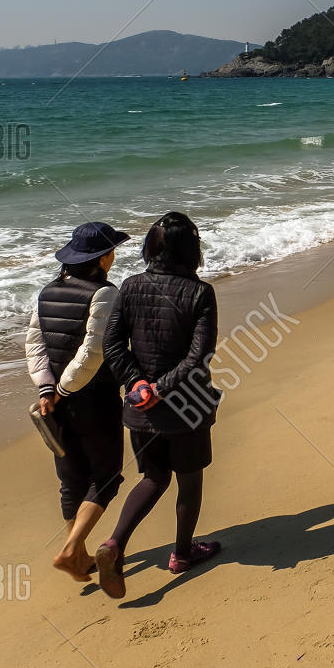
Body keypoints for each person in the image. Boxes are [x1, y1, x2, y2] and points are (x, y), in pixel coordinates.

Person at [96, 213, 222, 599]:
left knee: (153, 477)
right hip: (187, 408)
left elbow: (113, 346)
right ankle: (182, 553)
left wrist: (138, 384)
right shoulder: (200, 293)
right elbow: (199, 356)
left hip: (141, 410)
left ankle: (115, 544)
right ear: (191, 251)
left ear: (150, 248)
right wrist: (163, 388)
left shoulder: (130, 287)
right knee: (189, 479)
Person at [25, 221, 131, 583]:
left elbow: (35, 344)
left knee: (71, 480)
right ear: (102, 259)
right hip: (92, 398)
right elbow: (93, 352)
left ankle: (80, 557)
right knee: (107, 477)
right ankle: (71, 550)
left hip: (52, 402)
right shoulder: (104, 293)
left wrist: (46, 388)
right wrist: (66, 390)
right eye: (111, 252)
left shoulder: (47, 291)